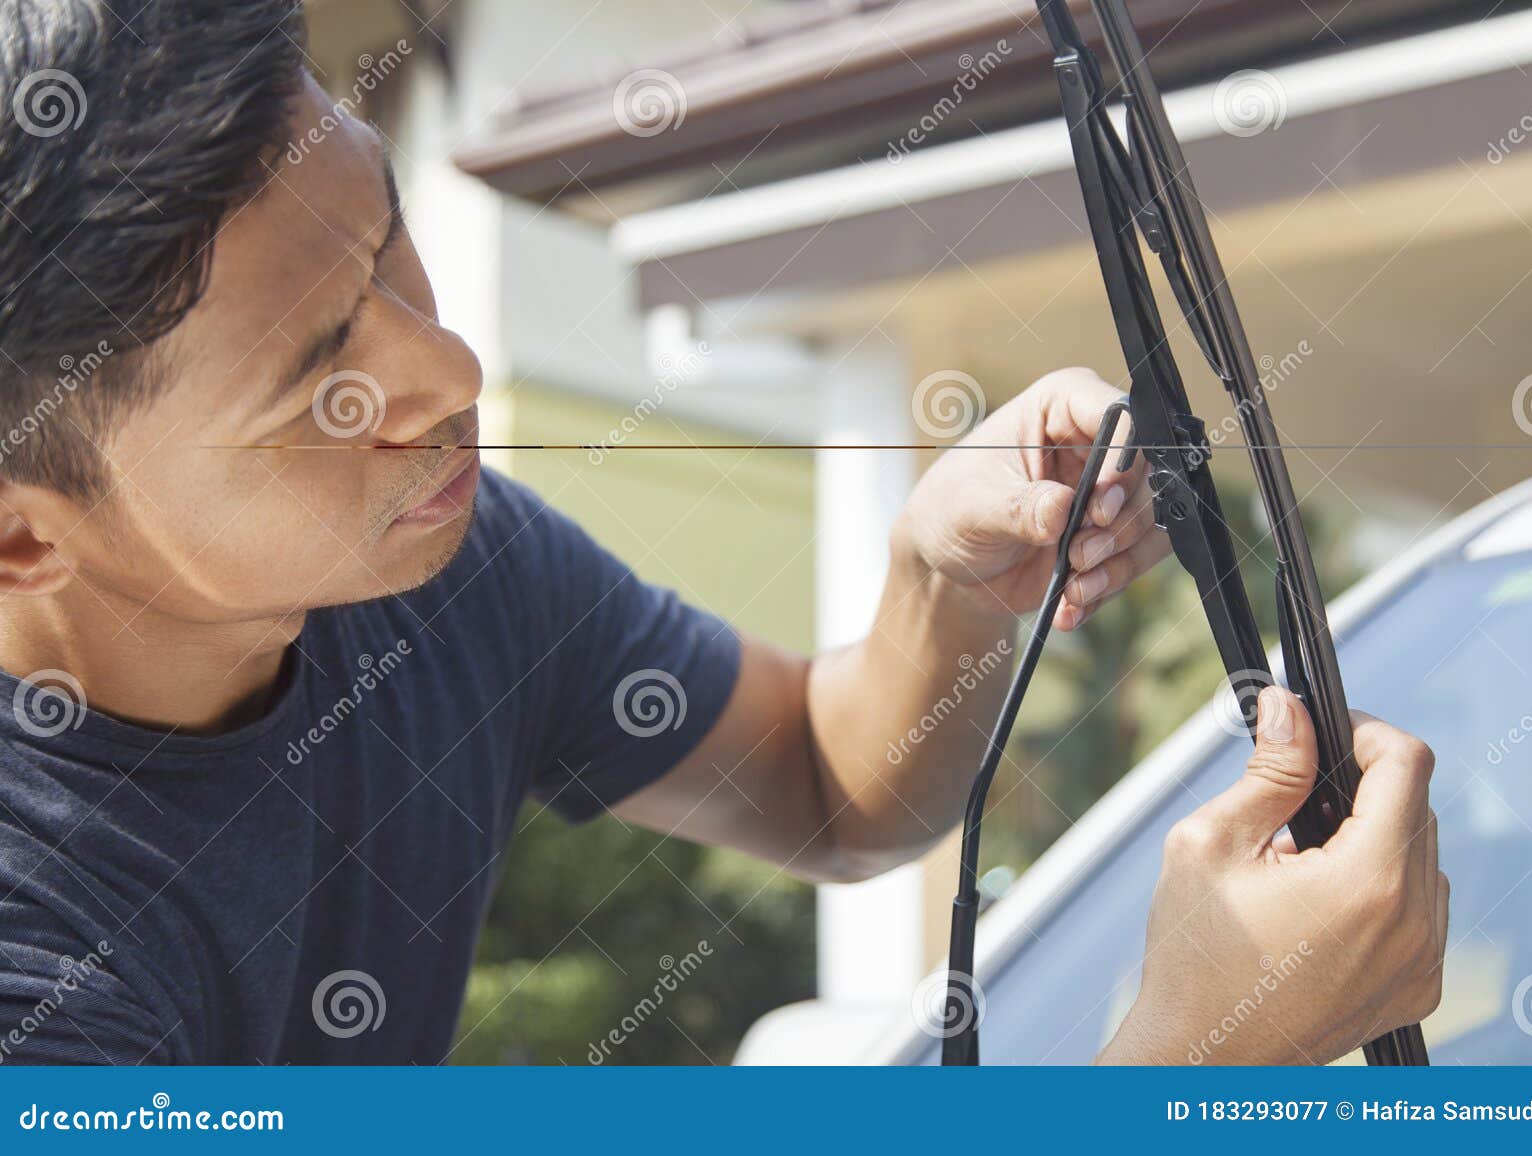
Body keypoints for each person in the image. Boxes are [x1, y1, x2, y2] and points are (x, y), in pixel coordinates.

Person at [0, 1, 1444, 1065]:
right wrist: (1197, 1068)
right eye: (325, 376)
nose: (445, 375)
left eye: (387, 240)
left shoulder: (436, 578)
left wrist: (938, 582)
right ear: (25, 540)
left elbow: (824, 783)